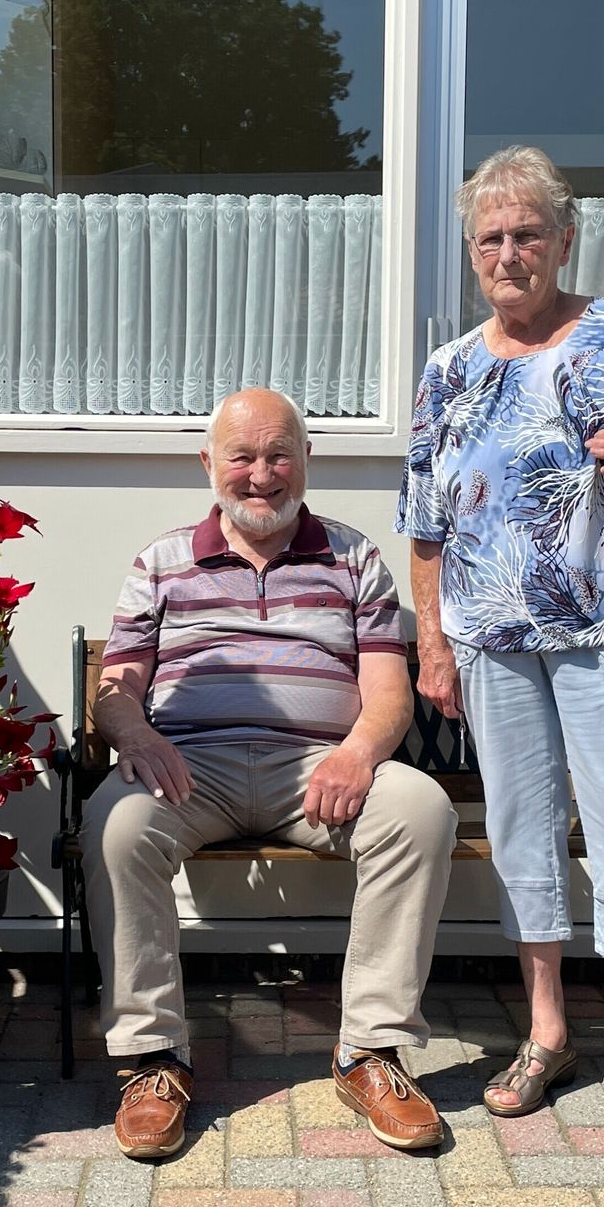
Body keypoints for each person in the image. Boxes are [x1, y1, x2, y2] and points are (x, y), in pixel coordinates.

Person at [397, 145, 604, 1159]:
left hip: (603, 634)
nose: (509, 253)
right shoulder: (451, 367)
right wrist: (431, 637)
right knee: (523, 833)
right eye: (491, 238)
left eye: (527, 234)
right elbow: (423, 522)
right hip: (489, 639)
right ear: (472, 253)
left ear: (564, 240)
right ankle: (547, 1026)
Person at [83, 387, 458, 1159]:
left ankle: (370, 1052)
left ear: (307, 460)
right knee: (114, 826)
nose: (262, 474)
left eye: (280, 454)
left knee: (420, 810)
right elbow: (114, 688)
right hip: (192, 772)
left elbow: (388, 692)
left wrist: (358, 755)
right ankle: (153, 1060)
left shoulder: (354, 557)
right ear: (209, 463)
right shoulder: (160, 563)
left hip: (320, 771)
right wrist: (137, 735)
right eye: (243, 456)